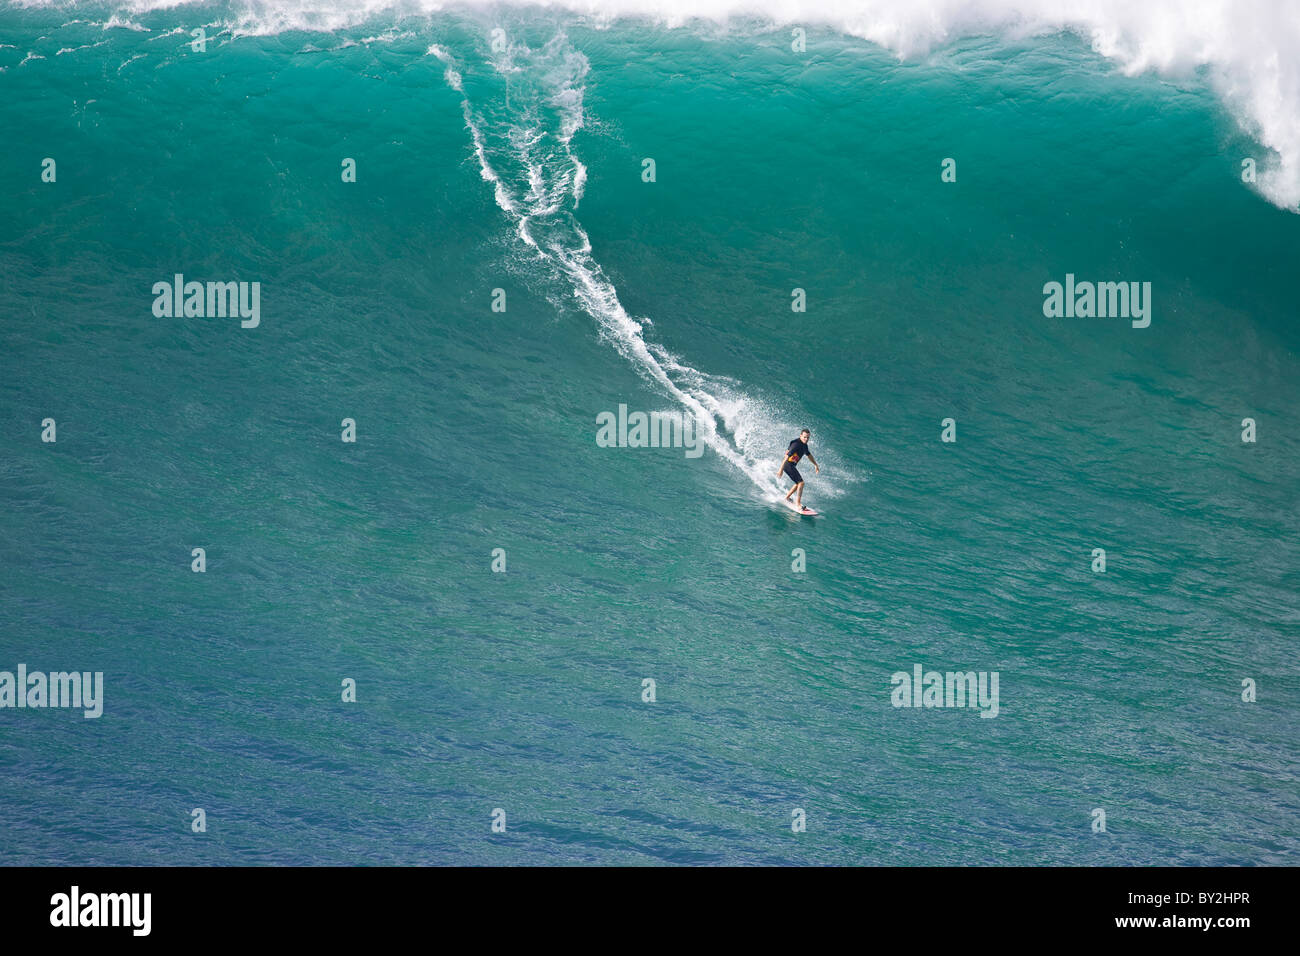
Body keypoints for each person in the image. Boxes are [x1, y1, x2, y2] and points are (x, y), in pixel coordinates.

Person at [777, 429, 819, 510]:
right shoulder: (796, 444)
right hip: (788, 465)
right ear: (800, 436)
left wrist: (815, 464)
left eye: (808, 438)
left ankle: (787, 498)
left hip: (791, 465)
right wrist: (780, 470)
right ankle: (798, 503)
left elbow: (809, 455)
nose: (806, 439)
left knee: (798, 484)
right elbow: (786, 457)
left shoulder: (804, 445)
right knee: (801, 483)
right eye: (804, 437)